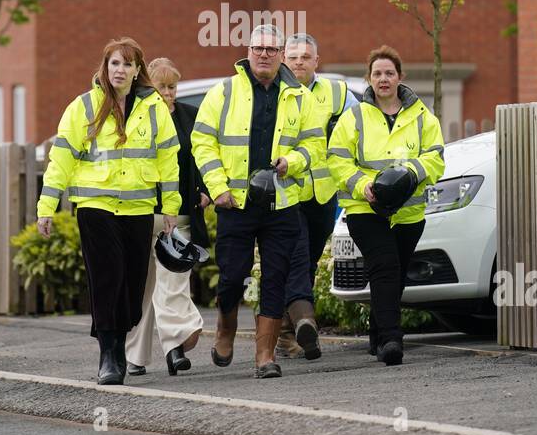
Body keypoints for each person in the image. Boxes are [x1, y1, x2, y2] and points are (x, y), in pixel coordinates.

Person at [36, 38, 180, 386]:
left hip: (138, 207)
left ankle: (120, 336)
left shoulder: (154, 108)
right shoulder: (83, 107)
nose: (120, 70)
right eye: (114, 63)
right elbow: (61, 160)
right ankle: (109, 355)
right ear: (105, 67)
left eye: (127, 64)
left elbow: (168, 158)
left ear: (137, 70)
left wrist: (171, 206)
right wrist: (47, 207)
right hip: (95, 207)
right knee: (107, 278)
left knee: (131, 285)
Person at [190, 24, 327, 378]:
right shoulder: (224, 92)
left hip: (282, 203)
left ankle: (265, 356)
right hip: (234, 203)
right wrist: (218, 187)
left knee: (275, 279)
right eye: (258, 48)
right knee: (232, 278)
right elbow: (202, 142)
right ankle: (225, 330)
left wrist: (291, 163)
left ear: (281, 54)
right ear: (247, 52)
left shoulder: (300, 97)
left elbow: (315, 146)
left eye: (271, 49)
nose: (264, 54)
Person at [328, 45, 444, 366]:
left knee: (397, 273)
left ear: (400, 77)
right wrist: (361, 184)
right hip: (366, 209)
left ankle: (377, 331)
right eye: (377, 73)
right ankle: (392, 340)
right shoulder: (354, 117)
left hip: (409, 212)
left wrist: (410, 176)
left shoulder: (422, 116)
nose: (383, 79)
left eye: (389, 73)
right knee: (385, 267)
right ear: (369, 78)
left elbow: (436, 158)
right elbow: (336, 158)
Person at [124, 57, 208, 377]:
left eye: (173, 86)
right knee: (143, 287)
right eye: (162, 87)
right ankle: (135, 355)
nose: (169, 93)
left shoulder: (191, 116)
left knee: (173, 282)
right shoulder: (139, 120)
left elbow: (202, 157)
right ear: (149, 88)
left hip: (181, 214)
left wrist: (205, 189)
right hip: (142, 212)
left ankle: (174, 348)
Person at [277, 32, 355, 358]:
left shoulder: (337, 93)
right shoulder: (274, 93)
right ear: (284, 59)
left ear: (316, 61)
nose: (298, 62)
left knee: (306, 261)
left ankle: (285, 334)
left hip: (323, 194)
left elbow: (358, 128)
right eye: (293, 56)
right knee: (295, 257)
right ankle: (305, 321)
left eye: (305, 57)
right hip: (287, 192)